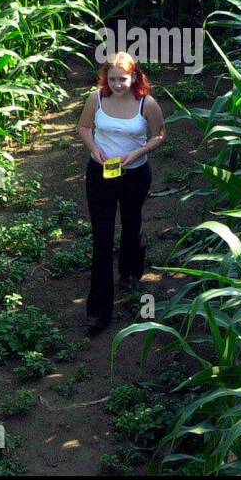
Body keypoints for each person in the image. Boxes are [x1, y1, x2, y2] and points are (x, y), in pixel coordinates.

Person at [74, 51, 166, 332]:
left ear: (134, 76)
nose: (117, 84)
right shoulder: (96, 99)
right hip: (100, 173)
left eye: (122, 79)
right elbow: (84, 126)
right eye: (112, 79)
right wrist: (95, 149)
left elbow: (160, 134)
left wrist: (139, 151)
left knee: (131, 222)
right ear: (105, 78)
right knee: (101, 238)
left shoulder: (146, 103)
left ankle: (130, 270)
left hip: (135, 173)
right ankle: (99, 310)